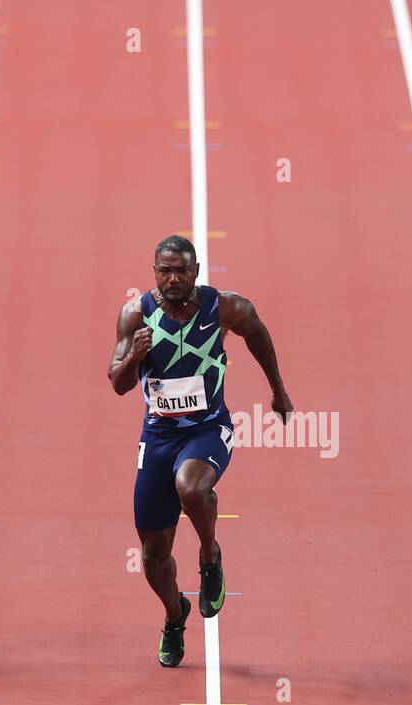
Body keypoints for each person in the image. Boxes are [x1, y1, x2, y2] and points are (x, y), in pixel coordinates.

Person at [109, 235, 291, 666]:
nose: (174, 278)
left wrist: (278, 390)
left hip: (208, 429)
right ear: (154, 273)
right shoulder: (135, 315)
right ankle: (175, 617)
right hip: (158, 438)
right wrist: (135, 357)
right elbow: (118, 384)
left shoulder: (225, 307)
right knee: (153, 556)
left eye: (182, 270)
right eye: (165, 270)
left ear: (196, 271)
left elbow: (258, 335)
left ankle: (210, 554)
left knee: (191, 487)